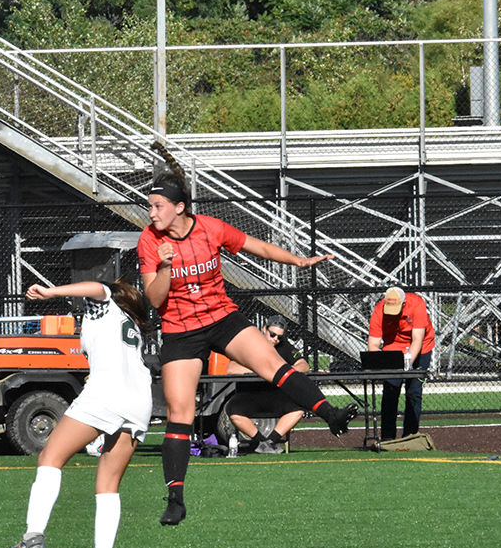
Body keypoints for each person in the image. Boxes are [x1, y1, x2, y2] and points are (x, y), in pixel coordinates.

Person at [138, 145, 356, 526]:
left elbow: (259, 248)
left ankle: (331, 415)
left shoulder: (211, 228)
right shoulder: (150, 242)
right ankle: (175, 498)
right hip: (181, 331)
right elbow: (155, 300)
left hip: (221, 318)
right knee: (180, 412)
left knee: (274, 363)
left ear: (180, 207)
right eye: (150, 206)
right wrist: (165, 267)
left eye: (157, 206)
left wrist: (301, 261)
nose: (151, 213)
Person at [0, 280, 153, 548]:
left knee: (49, 459)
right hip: (140, 402)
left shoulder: (106, 308)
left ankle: (32, 536)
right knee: (108, 485)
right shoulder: (132, 327)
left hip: (107, 394)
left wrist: (51, 293)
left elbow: (97, 289)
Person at [225, 315, 311, 454]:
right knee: (233, 409)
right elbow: (232, 368)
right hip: (249, 396)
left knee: (298, 408)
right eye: (272, 334)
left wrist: (282, 371)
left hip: (275, 396)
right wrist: (262, 369)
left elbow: (304, 366)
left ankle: (270, 442)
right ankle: (261, 442)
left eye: (279, 337)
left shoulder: (284, 346)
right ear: (264, 329)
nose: (275, 339)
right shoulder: (249, 344)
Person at [367, 286, 435, 441]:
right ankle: (387, 437)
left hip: (421, 346)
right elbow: (373, 344)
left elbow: (417, 339)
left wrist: (408, 361)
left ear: (404, 304)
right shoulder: (379, 311)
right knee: (390, 392)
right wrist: (381, 363)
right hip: (393, 347)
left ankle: (410, 435)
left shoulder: (417, 304)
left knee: (414, 392)